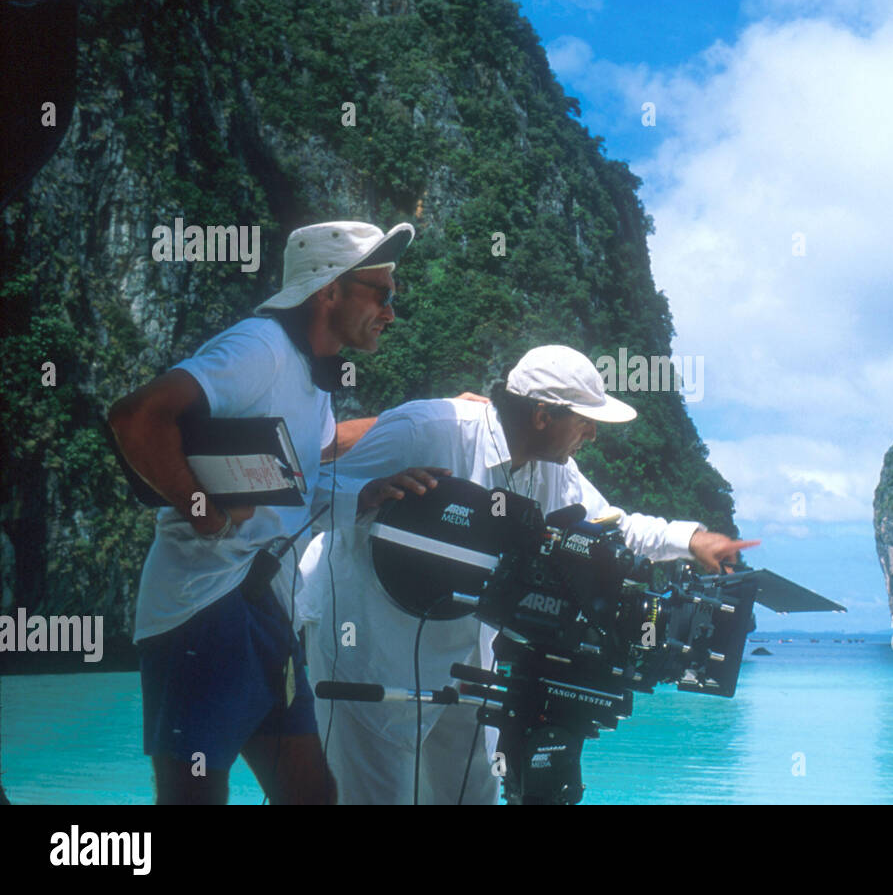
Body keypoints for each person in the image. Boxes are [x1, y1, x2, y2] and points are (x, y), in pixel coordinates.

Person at [295, 344, 757, 804]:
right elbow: (304, 500)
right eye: (585, 421)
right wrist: (366, 494)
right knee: (374, 796)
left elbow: (611, 532)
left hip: (463, 656)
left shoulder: (554, 473)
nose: (592, 435)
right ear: (542, 416)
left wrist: (692, 539)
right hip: (365, 644)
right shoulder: (427, 430)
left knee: (473, 793)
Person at [109, 220, 446, 804]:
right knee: (193, 796)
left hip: (267, 610)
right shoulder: (258, 349)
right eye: (382, 293)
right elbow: (135, 417)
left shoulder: (312, 379)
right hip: (204, 605)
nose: (392, 311)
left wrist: (368, 493)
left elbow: (306, 476)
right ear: (329, 290)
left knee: (312, 795)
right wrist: (203, 511)